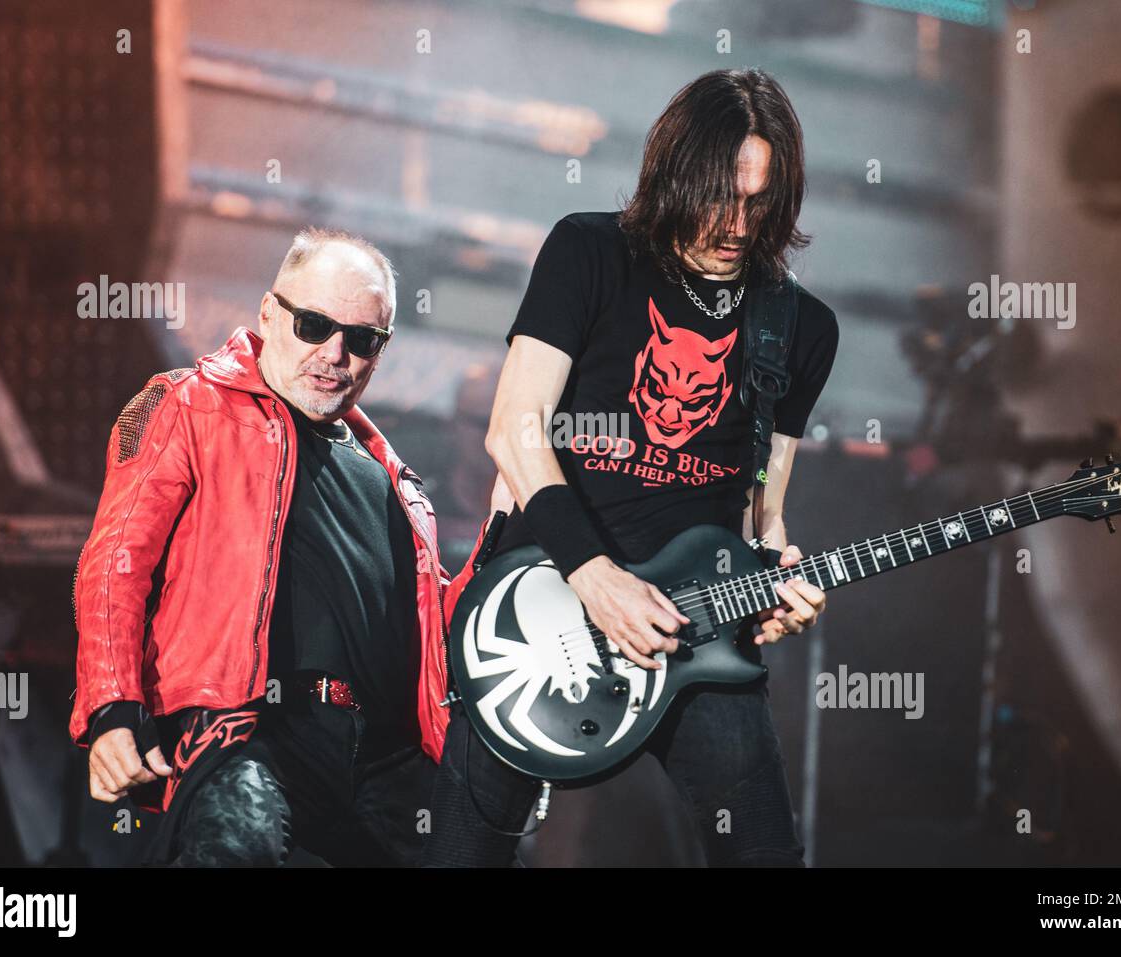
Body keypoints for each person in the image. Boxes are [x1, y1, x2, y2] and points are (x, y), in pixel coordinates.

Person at [425, 69, 839, 867]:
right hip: (538, 604)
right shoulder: (589, 251)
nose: (738, 222)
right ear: (678, 172)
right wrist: (596, 576)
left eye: (761, 201)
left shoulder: (801, 326)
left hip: (694, 629)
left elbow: (765, 512)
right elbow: (514, 431)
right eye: (723, 194)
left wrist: (780, 581)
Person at [70, 227, 453, 866]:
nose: (335, 353)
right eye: (313, 325)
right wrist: (112, 709)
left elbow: (436, 630)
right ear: (270, 314)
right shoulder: (191, 405)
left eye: (361, 339)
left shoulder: (392, 476)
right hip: (246, 727)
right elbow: (115, 563)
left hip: (387, 753)